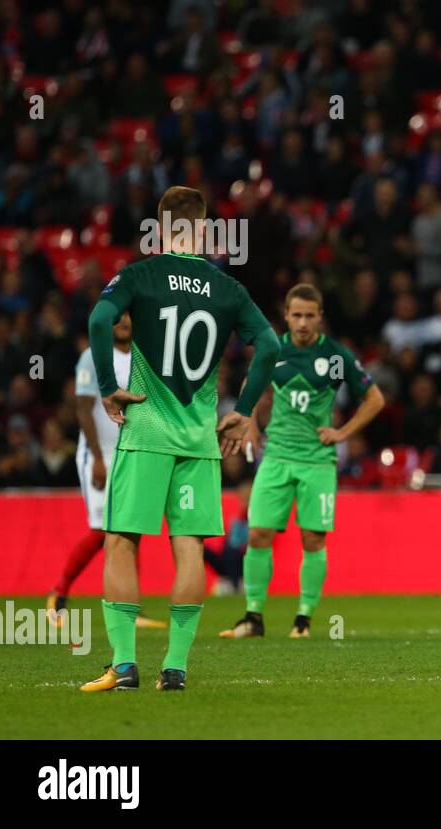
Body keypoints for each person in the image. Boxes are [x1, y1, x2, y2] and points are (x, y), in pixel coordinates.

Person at [80, 185, 279, 692]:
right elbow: (270, 345)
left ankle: (124, 666)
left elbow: (100, 318)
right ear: (205, 230)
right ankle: (176, 667)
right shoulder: (227, 289)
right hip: (198, 439)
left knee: (122, 541)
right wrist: (244, 411)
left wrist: (108, 388)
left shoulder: (140, 275)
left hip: (145, 431)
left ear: (162, 229)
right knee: (188, 548)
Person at [221, 284, 384, 639]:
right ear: (286, 315)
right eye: (296, 315)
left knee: (312, 539)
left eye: (310, 315)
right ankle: (253, 617)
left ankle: (303, 620)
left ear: (320, 317)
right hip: (276, 456)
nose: (303, 323)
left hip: (317, 462)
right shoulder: (272, 349)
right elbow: (253, 382)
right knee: (258, 533)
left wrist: (343, 432)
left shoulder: (335, 357)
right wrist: (247, 422)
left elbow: (374, 399)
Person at [47, 311, 166, 630]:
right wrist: (98, 458)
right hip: (98, 455)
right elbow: (83, 410)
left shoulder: (145, 357)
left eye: (130, 315)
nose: (125, 321)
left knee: (131, 528)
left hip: (132, 454)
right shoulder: (93, 356)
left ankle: (132, 608)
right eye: (118, 317)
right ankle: (58, 592)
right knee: (101, 531)